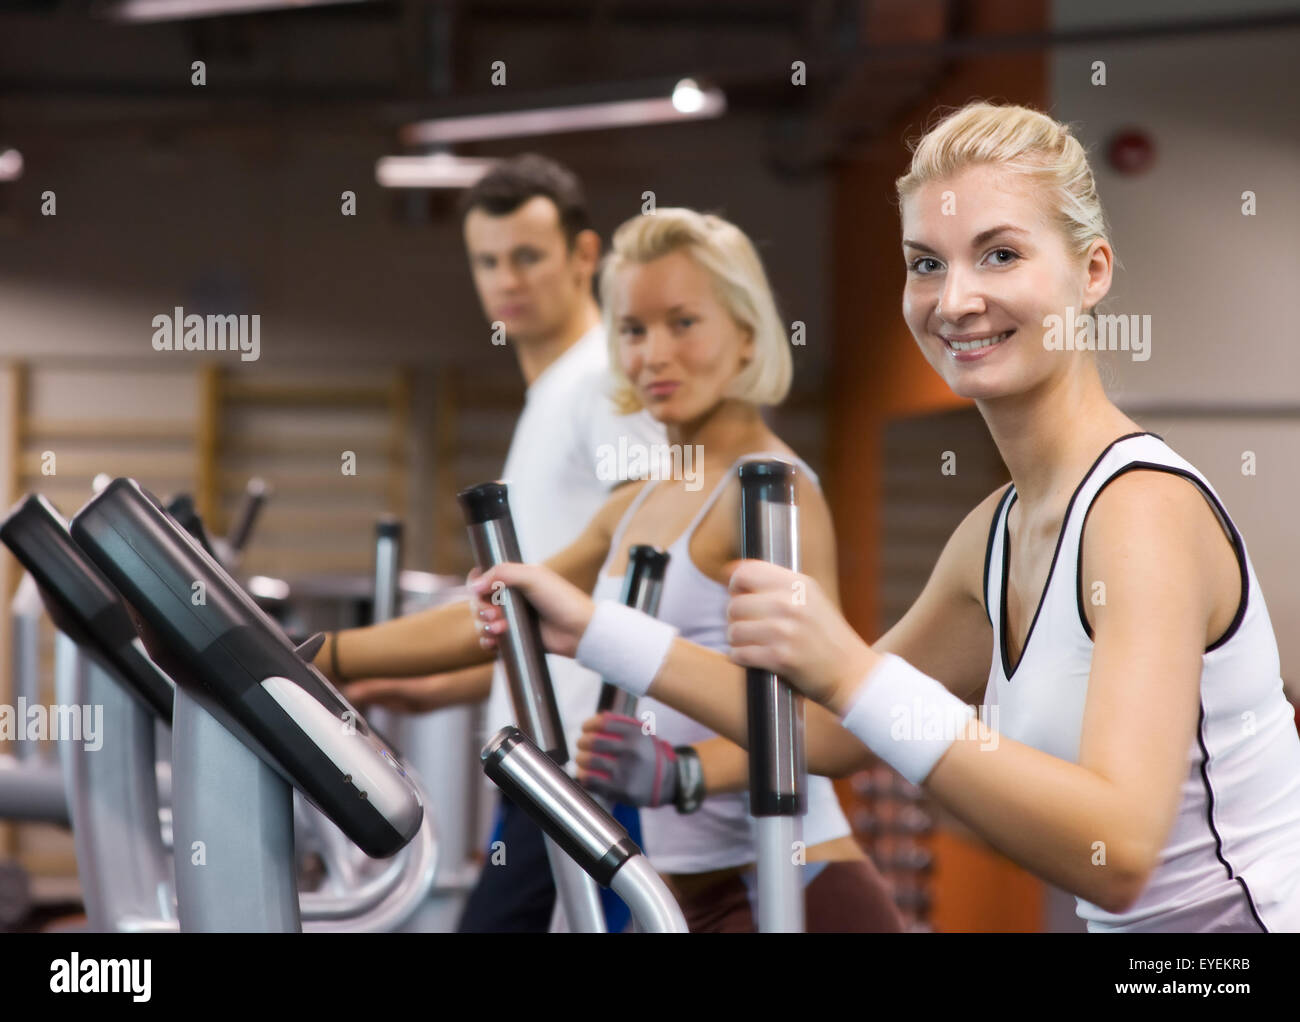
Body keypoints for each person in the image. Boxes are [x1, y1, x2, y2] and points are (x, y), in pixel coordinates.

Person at [475, 101, 1300, 932]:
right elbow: (833, 733)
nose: (957, 300)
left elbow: (1118, 853)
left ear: (1093, 272)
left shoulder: (1142, 512)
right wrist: (590, 631)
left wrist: (856, 674)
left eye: (1000, 254)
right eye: (926, 264)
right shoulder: (995, 534)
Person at [319, 207, 903, 932]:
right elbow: (506, 615)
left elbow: (823, 722)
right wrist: (319, 658)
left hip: (794, 885)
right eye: (632, 330)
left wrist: (682, 775)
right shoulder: (640, 501)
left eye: (683, 323)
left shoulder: (773, 492)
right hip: (682, 892)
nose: (653, 353)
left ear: (747, 334)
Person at [333, 153, 665, 932]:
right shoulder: (553, 393)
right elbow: (543, 623)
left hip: (584, 766)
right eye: (487, 261)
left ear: (585, 255)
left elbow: (636, 569)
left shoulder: (602, 384)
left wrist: (337, 656)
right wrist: (431, 686)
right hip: (537, 761)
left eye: (527, 256)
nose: (505, 279)